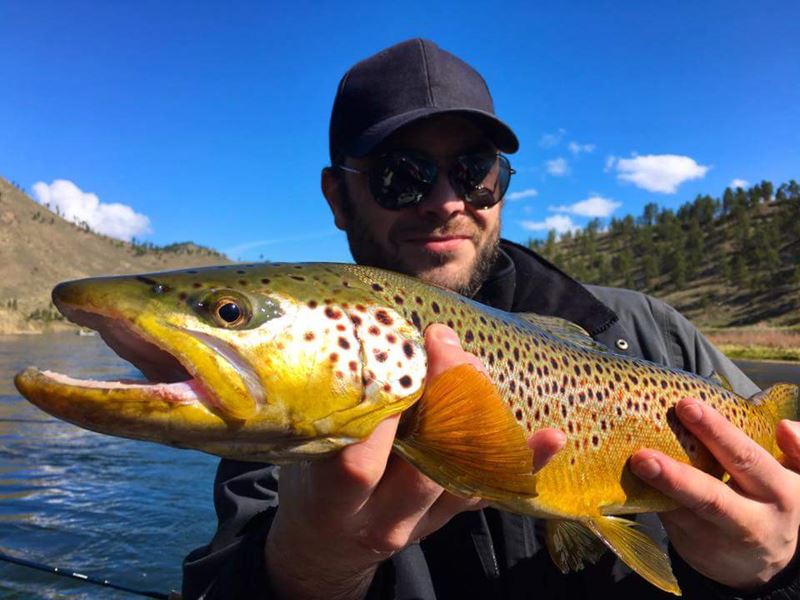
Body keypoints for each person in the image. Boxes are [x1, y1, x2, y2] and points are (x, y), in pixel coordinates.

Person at [182, 39, 800, 599]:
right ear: (336, 197)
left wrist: (771, 572)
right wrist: (306, 572)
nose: (446, 201)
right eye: (402, 176)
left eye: (474, 171)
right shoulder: (293, 406)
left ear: (501, 186)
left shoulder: (655, 336)